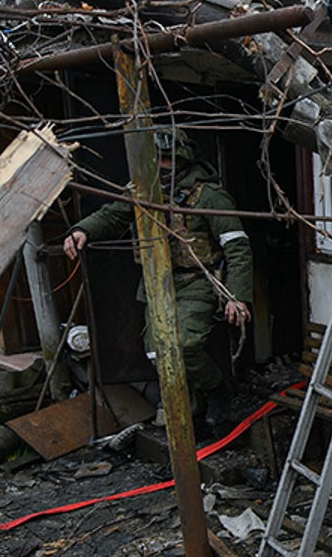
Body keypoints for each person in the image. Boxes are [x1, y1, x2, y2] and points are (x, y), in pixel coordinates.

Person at [62, 128, 253, 430]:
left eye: (168, 159)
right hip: (156, 283)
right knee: (157, 353)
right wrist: (82, 230)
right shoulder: (143, 190)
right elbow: (113, 214)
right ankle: (192, 416)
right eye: (157, 159)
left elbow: (238, 247)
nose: (163, 165)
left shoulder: (210, 195)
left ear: (183, 157)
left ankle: (217, 391)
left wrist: (237, 296)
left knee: (185, 346)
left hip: (198, 282)